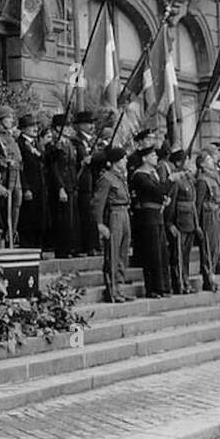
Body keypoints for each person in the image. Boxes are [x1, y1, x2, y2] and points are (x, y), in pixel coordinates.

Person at [92, 146, 132, 302]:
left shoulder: (120, 177)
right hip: (114, 214)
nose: (126, 161)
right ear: (116, 161)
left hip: (124, 213)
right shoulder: (106, 178)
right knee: (113, 254)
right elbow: (98, 203)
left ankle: (119, 287)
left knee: (122, 253)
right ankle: (112, 289)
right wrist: (99, 224)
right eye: (123, 158)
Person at [129, 139, 168, 298]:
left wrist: (164, 198)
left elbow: (160, 193)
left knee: (161, 253)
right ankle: (152, 288)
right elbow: (153, 191)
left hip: (157, 215)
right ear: (144, 158)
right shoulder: (140, 175)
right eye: (152, 155)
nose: (155, 158)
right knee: (152, 254)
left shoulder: (154, 174)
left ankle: (163, 286)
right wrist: (169, 184)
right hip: (147, 216)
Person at [166, 148, 207, 294]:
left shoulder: (190, 179)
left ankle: (186, 280)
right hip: (179, 222)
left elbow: (193, 204)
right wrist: (169, 223)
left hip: (189, 222)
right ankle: (179, 284)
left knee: (186, 255)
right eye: (186, 160)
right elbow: (171, 203)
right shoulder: (176, 180)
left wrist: (196, 224)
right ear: (179, 162)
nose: (189, 163)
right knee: (178, 255)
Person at [0, 105, 23, 246]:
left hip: (15, 179)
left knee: (16, 209)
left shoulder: (11, 138)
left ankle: (12, 235)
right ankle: (4, 240)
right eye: (8, 117)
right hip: (4, 180)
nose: (11, 120)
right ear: (0, 120)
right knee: (4, 213)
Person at [44, 115, 78, 258]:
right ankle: (62, 249)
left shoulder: (69, 144)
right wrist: (60, 187)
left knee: (70, 219)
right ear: (59, 128)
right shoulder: (53, 145)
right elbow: (54, 168)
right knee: (61, 219)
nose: (70, 129)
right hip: (60, 185)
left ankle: (69, 247)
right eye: (67, 126)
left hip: (70, 184)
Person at [17, 113, 46, 249]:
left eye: (35, 125)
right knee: (28, 218)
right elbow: (21, 168)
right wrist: (26, 187)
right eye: (31, 126)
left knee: (39, 218)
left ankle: (37, 246)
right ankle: (28, 246)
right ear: (23, 128)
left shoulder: (37, 143)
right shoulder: (20, 144)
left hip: (39, 184)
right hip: (29, 184)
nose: (35, 128)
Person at [195, 150, 220, 282]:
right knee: (208, 246)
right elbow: (198, 203)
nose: (212, 161)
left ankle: (214, 273)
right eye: (208, 160)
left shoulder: (215, 176)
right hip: (208, 216)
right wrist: (197, 224)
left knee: (217, 244)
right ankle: (208, 277)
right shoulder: (202, 180)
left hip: (217, 212)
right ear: (202, 164)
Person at [72, 111, 97, 255]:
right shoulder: (76, 141)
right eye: (88, 123)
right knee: (84, 214)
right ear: (80, 125)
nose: (91, 126)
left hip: (91, 182)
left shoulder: (90, 141)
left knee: (90, 214)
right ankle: (84, 245)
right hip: (81, 182)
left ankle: (92, 244)